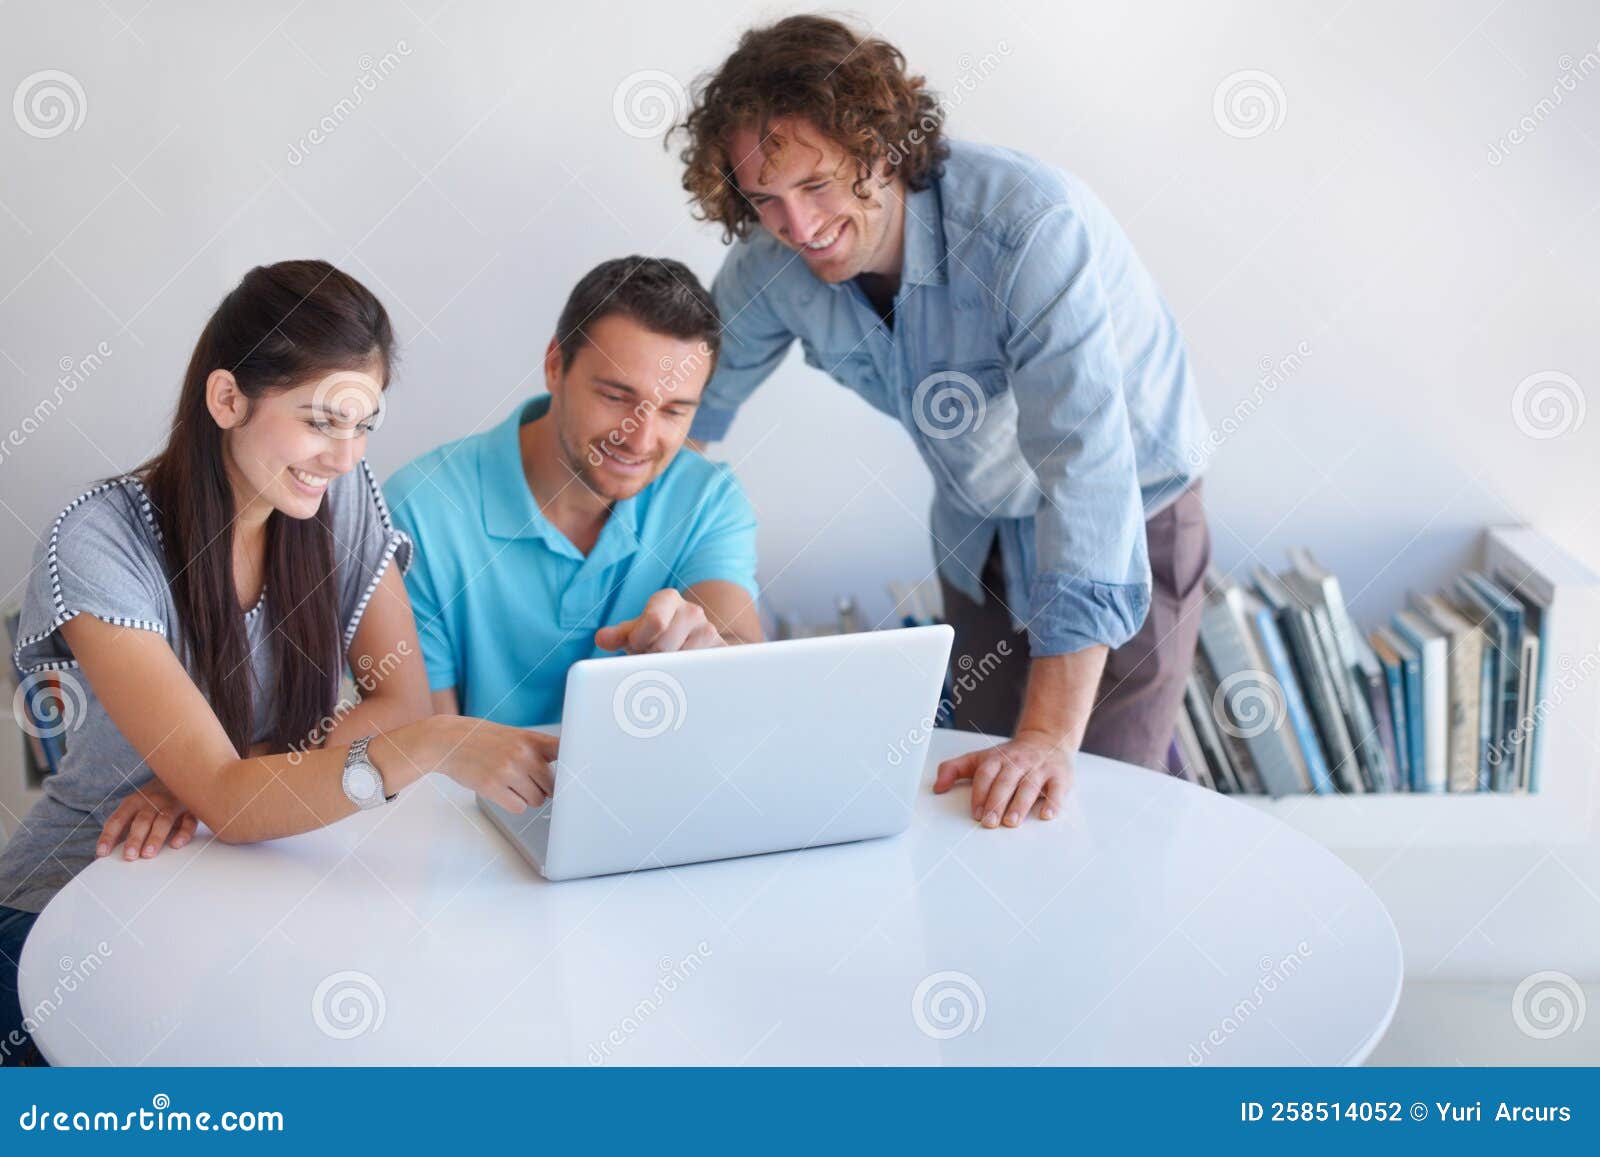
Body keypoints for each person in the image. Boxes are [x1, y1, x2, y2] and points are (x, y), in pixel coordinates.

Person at [0, 260, 554, 1065]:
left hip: (253, 879)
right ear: (227, 400)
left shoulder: (340, 494)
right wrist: (427, 746)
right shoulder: (102, 540)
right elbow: (265, 786)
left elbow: (395, 700)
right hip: (69, 905)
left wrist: (239, 776)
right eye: (321, 420)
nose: (344, 453)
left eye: (363, 424)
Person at [674, 16, 1212, 829]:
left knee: (1090, 808)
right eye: (765, 200)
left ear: (879, 146)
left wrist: (1043, 735)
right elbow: (683, 423)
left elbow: (1084, 467)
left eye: (816, 185)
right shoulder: (769, 264)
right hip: (978, 529)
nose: (800, 228)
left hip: (1129, 517)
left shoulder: (1029, 226)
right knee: (966, 801)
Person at [385, 256, 762, 727]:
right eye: (617, 397)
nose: (640, 440)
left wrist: (708, 652)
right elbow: (426, 749)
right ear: (555, 365)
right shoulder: (420, 509)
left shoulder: (708, 499)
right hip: (469, 799)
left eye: (673, 411)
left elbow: (741, 654)